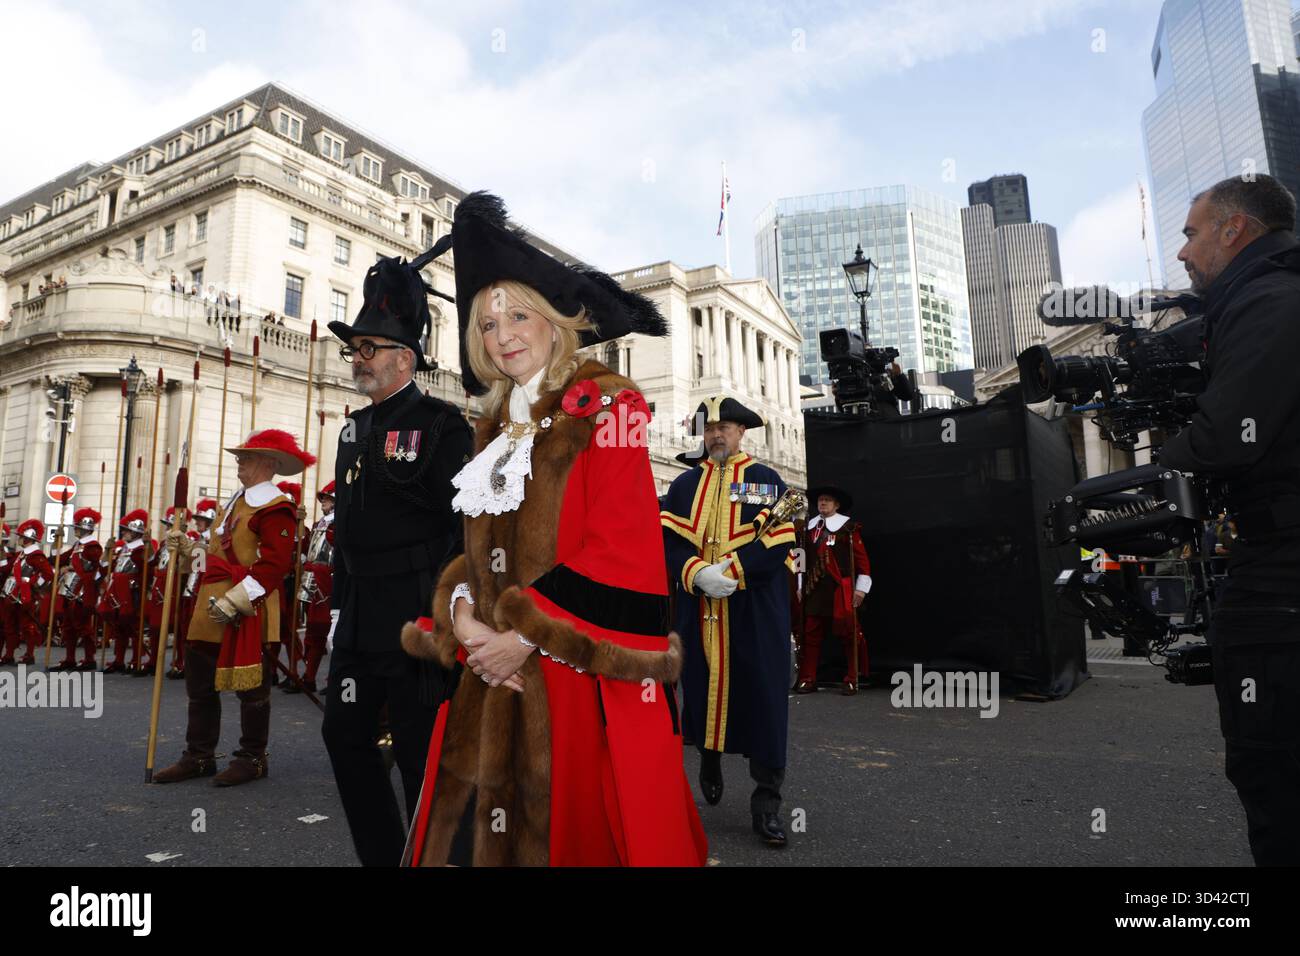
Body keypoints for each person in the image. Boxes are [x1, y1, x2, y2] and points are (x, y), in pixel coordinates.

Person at [397, 191, 706, 867]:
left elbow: (621, 547)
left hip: (573, 678)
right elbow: (470, 554)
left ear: (554, 320)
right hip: (492, 675)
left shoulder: (607, 402)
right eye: (484, 322)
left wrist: (522, 636)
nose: (501, 333)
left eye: (517, 313)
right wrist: (462, 618)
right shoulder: (492, 424)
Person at [1159, 173, 1300, 865]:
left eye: (1191, 232)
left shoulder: (1270, 299)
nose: (1183, 251)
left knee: (1274, 773)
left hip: (1282, 577)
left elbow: (1226, 439)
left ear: (1233, 229)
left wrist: (1164, 464)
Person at [321, 243, 474, 867]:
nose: (358, 359)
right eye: (353, 349)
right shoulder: (352, 428)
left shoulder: (442, 424)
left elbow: (466, 527)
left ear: (405, 357)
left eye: (369, 349)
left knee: (421, 753)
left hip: (417, 615)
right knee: (344, 737)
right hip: (360, 614)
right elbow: (347, 526)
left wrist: (453, 609)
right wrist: (338, 608)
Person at [661, 395, 797, 847]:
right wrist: (695, 572)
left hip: (753, 608)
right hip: (699, 607)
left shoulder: (765, 480)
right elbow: (667, 543)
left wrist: (733, 571)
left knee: (763, 697)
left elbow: (777, 543)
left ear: (741, 432)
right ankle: (709, 759)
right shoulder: (683, 486)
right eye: (710, 427)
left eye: (725, 427)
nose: (717, 434)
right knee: (700, 691)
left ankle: (767, 803)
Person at [153, 429, 311, 786]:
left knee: (253, 691)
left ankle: (253, 758)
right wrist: (188, 551)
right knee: (200, 686)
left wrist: (235, 600)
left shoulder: (277, 507)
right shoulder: (235, 501)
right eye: (241, 456)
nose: (239, 462)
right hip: (209, 607)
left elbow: (273, 566)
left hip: (250, 609)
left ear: (268, 464)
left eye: (248, 457)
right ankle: (199, 755)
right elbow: (215, 558)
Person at [793, 486, 871, 695]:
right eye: (820, 500)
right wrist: (800, 586)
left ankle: (852, 678)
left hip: (840, 590)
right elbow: (799, 558)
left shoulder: (848, 529)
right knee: (810, 635)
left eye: (827, 500)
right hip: (814, 589)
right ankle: (808, 678)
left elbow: (862, 562)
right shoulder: (805, 529)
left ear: (836, 505)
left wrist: (861, 590)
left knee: (849, 634)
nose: (823, 503)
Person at [289, 482, 335, 695]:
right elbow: (307, 546)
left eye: (327, 498)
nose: (323, 501)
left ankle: (332, 679)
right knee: (311, 630)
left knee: (327, 631)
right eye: (323, 498)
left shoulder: (340, 523)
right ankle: (308, 676)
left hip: (328, 579)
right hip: (310, 576)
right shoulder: (319, 523)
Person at [53, 509, 103, 671]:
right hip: (69, 587)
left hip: (82, 590)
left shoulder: (93, 546)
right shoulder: (77, 545)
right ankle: (70, 658)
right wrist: (56, 540)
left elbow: (94, 570)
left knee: (83, 626)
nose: (75, 530)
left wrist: (70, 567)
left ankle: (89, 659)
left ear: (86, 529)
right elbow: (58, 559)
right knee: (68, 625)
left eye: (77, 527)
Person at [7, 520, 54, 665]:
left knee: (28, 626)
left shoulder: (36, 555)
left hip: (27, 595)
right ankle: (9, 654)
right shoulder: (22, 554)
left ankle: (29, 655)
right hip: (15, 592)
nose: (19, 539)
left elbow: (48, 575)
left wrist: (33, 586)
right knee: (11, 624)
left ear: (27, 538)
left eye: (21, 536)